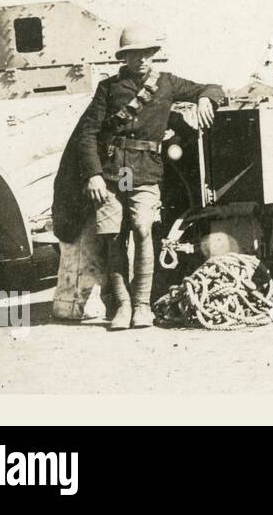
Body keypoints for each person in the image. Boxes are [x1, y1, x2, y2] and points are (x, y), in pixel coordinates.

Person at [67, 25, 223, 330]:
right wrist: (94, 175)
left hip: (146, 172)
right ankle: (123, 307)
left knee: (142, 229)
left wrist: (205, 99)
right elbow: (88, 133)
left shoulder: (166, 83)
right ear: (124, 58)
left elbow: (211, 87)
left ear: (154, 55)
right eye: (134, 54)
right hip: (118, 174)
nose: (141, 60)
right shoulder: (109, 88)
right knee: (115, 235)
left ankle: (142, 305)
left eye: (147, 54)